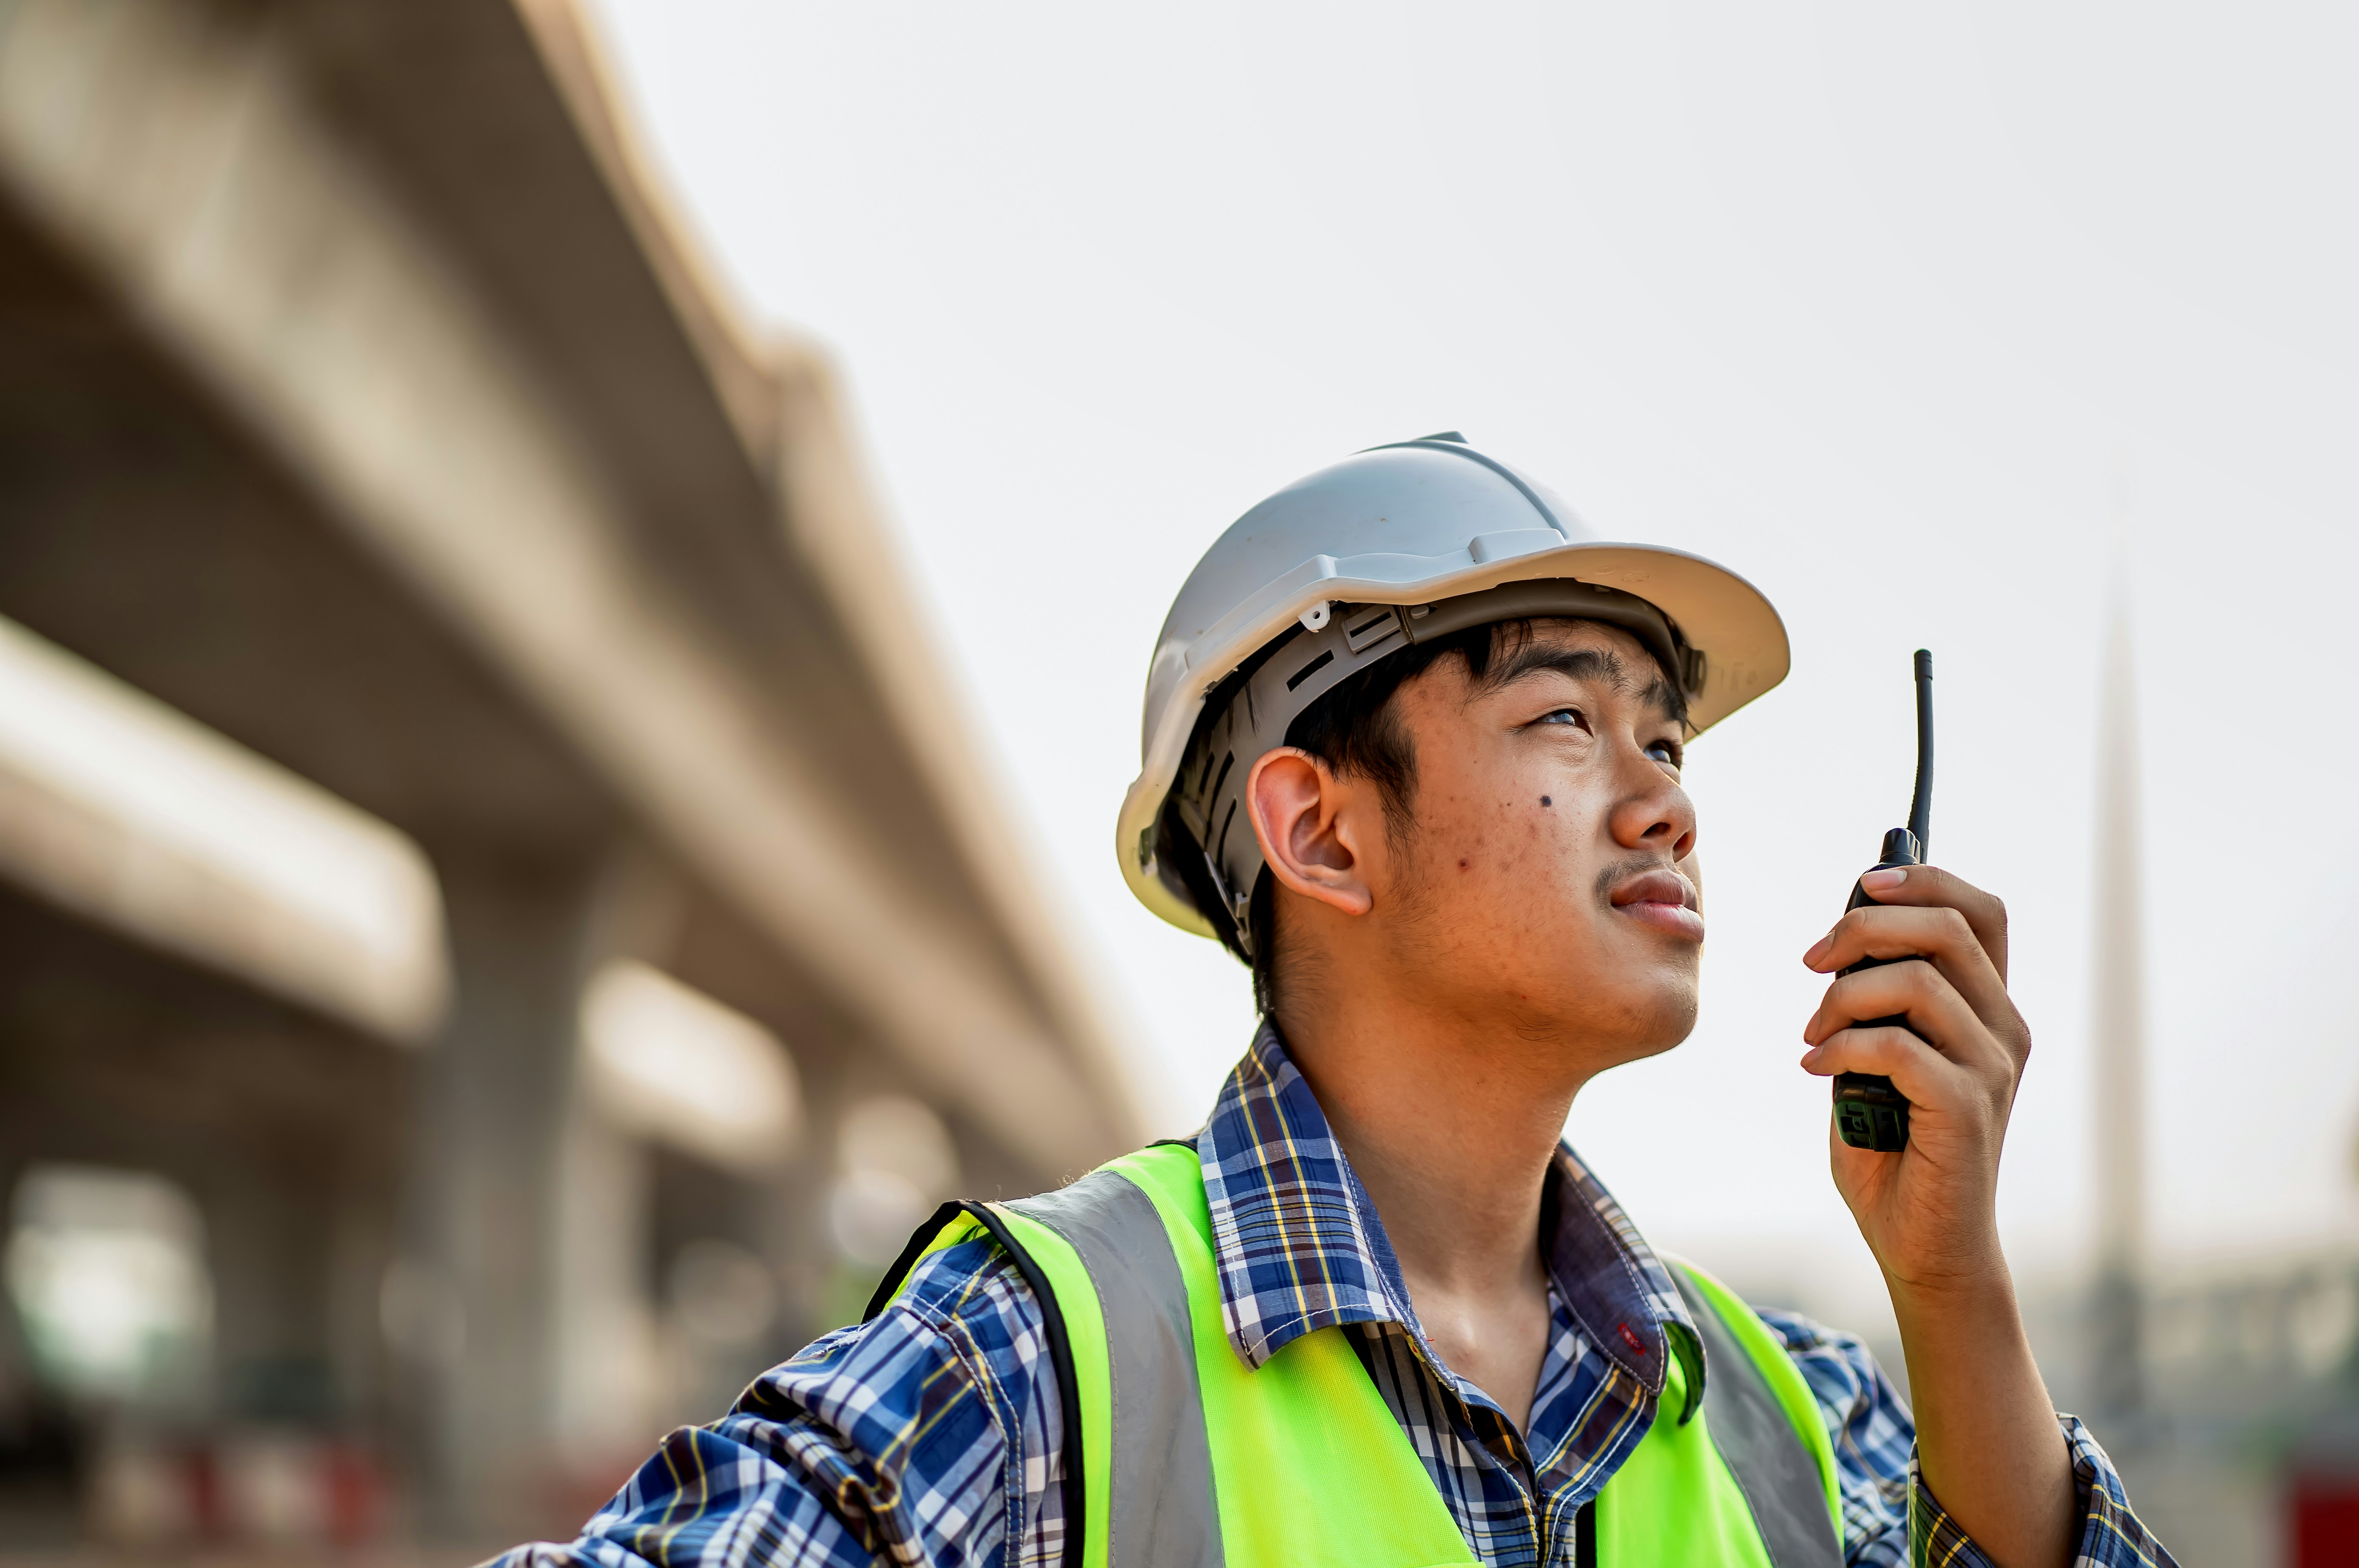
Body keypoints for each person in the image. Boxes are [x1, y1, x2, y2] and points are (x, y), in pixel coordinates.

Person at [492, 436, 2173, 1567]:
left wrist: (1951, 1284)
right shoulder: (1046, 1372)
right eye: (1567, 725)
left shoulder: (1789, 1415)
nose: (1666, 798)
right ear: (1321, 826)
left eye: (1665, 736)